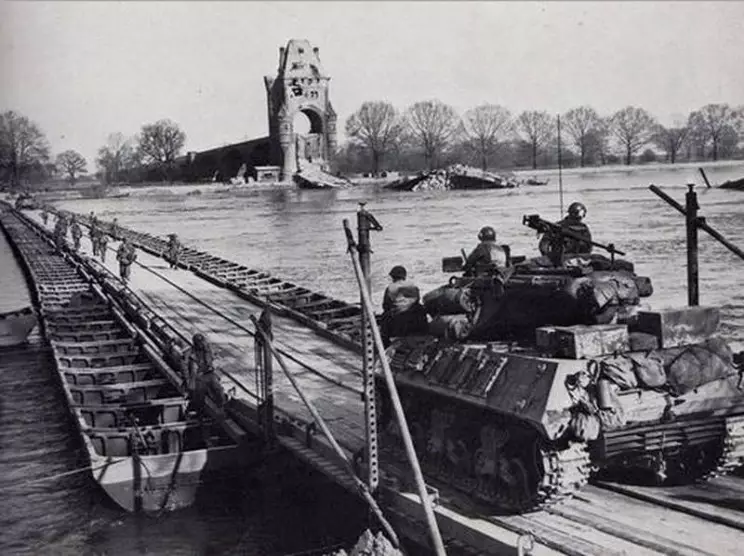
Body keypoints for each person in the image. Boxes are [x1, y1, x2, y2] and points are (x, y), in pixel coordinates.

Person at [380, 265, 428, 347]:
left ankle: (385, 345)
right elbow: (417, 300)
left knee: (384, 317)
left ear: (393, 276)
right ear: (404, 276)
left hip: (397, 317)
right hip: (414, 316)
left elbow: (385, 305)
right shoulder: (413, 286)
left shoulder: (390, 287)